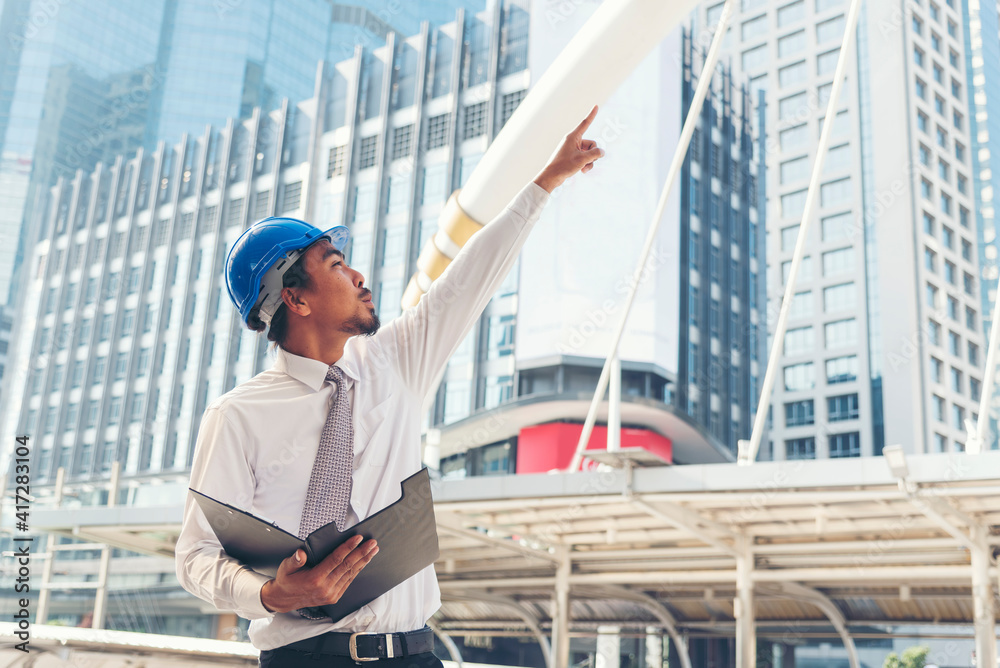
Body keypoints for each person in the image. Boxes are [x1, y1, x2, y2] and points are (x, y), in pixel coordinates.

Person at [175, 107, 606, 666]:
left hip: (414, 653)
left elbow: (468, 280)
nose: (358, 277)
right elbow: (195, 556)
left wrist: (546, 182)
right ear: (296, 299)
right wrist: (268, 595)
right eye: (335, 265)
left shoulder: (394, 362)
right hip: (305, 658)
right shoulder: (238, 416)